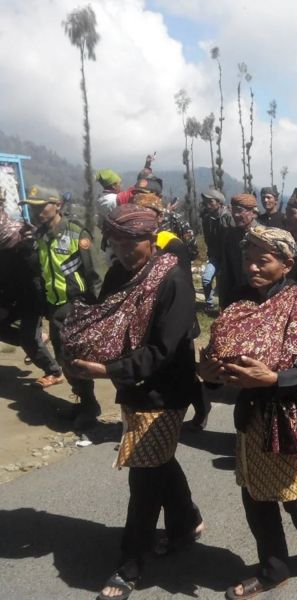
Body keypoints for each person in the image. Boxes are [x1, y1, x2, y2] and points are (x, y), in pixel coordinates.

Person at [64, 204, 203, 600]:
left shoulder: (173, 279)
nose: (126, 251)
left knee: (143, 478)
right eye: (118, 243)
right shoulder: (118, 274)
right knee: (157, 460)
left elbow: (162, 349)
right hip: (131, 385)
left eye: (134, 243)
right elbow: (108, 321)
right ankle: (185, 521)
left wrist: (104, 372)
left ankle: (130, 563)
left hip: (164, 390)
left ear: (152, 238)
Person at [198, 225, 297, 596]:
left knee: (296, 495)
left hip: (291, 416)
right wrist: (210, 375)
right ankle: (273, 567)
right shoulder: (240, 301)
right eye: (248, 260)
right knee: (255, 496)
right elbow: (223, 357)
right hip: (251, 415)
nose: (252, 268)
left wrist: (274, 378)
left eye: (263, 261)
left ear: (286, 263)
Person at [23, 186, 102, 429]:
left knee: (78, 359)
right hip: (54, 308)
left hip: (76, 307)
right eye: (32, 207)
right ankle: (84, 400)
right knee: (64, 359)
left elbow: (95, 274)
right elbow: (41, 271)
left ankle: (90, 406)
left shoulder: (77, 233)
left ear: (57, 205)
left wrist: (99, 310)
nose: (36, 212)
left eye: (41, 206)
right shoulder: (39, 236)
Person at [0, 205, 63, 387]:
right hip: (9, 295)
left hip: (31, 294)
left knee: (29, 338)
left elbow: (40, 269)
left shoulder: (22, 234)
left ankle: (54, 371)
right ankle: (37, 339)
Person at [218, 193, 259, 310]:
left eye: (240, 211)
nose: (235, 214)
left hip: (257, 295)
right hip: (235, 294)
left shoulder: (263, 235)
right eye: (233, 210)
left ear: (253, 212)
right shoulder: (230, 235)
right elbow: (226, 270)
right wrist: (223, 300)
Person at [199, 188, 233, 311]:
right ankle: (209, 304)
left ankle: (224, 307)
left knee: (225, 284)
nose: (208, 204)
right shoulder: (207, 219)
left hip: (228, 257)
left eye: (211, 201)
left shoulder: (228, 217)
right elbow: (208, 238)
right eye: (206, 202)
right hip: (215, 256)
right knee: (206, 278)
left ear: (219, 203)